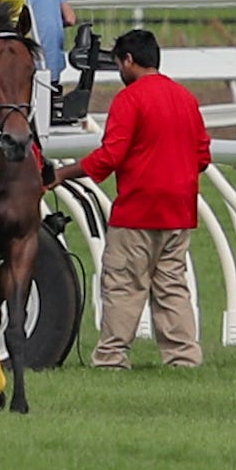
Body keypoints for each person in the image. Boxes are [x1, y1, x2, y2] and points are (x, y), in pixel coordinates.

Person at [76, 26, 211, 370]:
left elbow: (110, 156)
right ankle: (183, 358)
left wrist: (63, 173)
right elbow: (202, 156)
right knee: (172, 286)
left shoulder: (129, 99)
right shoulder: (186, 98)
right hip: (180, 212)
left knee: (124, 284)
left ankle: (111, 358)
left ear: (129, 60)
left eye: (120, 63)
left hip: (137, 211)